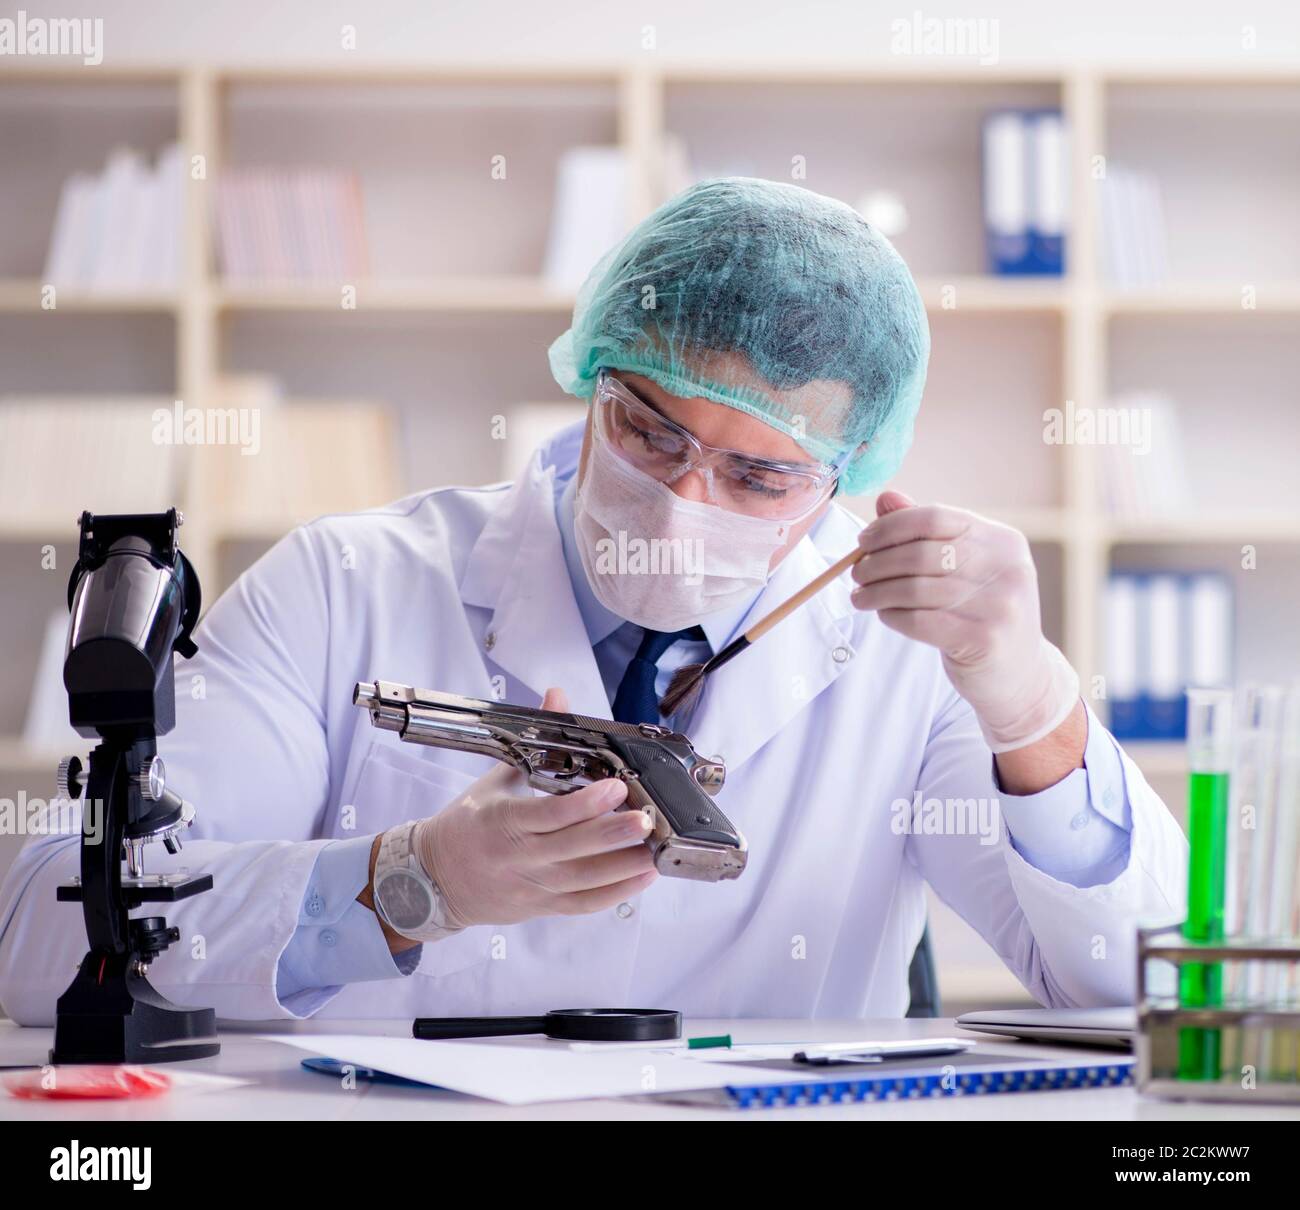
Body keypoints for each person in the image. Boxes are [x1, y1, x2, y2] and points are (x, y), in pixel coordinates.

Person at [0, 178, 1185, 1025]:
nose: (684, 499)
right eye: (648, 429)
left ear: (847, 477)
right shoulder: (343, 581)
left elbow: (1147, 992)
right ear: (588, 379)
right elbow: (40, 931)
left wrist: (1032, 707)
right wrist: (404, 885)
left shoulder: (907, 654)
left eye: (759, 474)